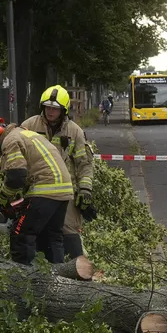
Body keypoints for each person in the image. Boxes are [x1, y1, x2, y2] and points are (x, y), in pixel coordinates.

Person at [0, 116, 74, 265]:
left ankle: (24, 282)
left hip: (45, 189)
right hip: (63, 189)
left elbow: (16, 177)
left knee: (21, 235)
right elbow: (29, 174)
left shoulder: (10, 140)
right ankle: (58, 281)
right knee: (51, 237)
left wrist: (4, 200)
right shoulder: (27, 134)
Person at [21, 85, 95, 261]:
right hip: (36, 189)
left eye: (55, 108)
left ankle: (75, 275)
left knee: (68, 229)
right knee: (35, 229)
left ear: (63, 110)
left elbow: (84, 164)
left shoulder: (74, 131)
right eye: (47, 107)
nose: (50, 111)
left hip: (65, 190)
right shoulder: (29, 126)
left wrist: (85, 190)